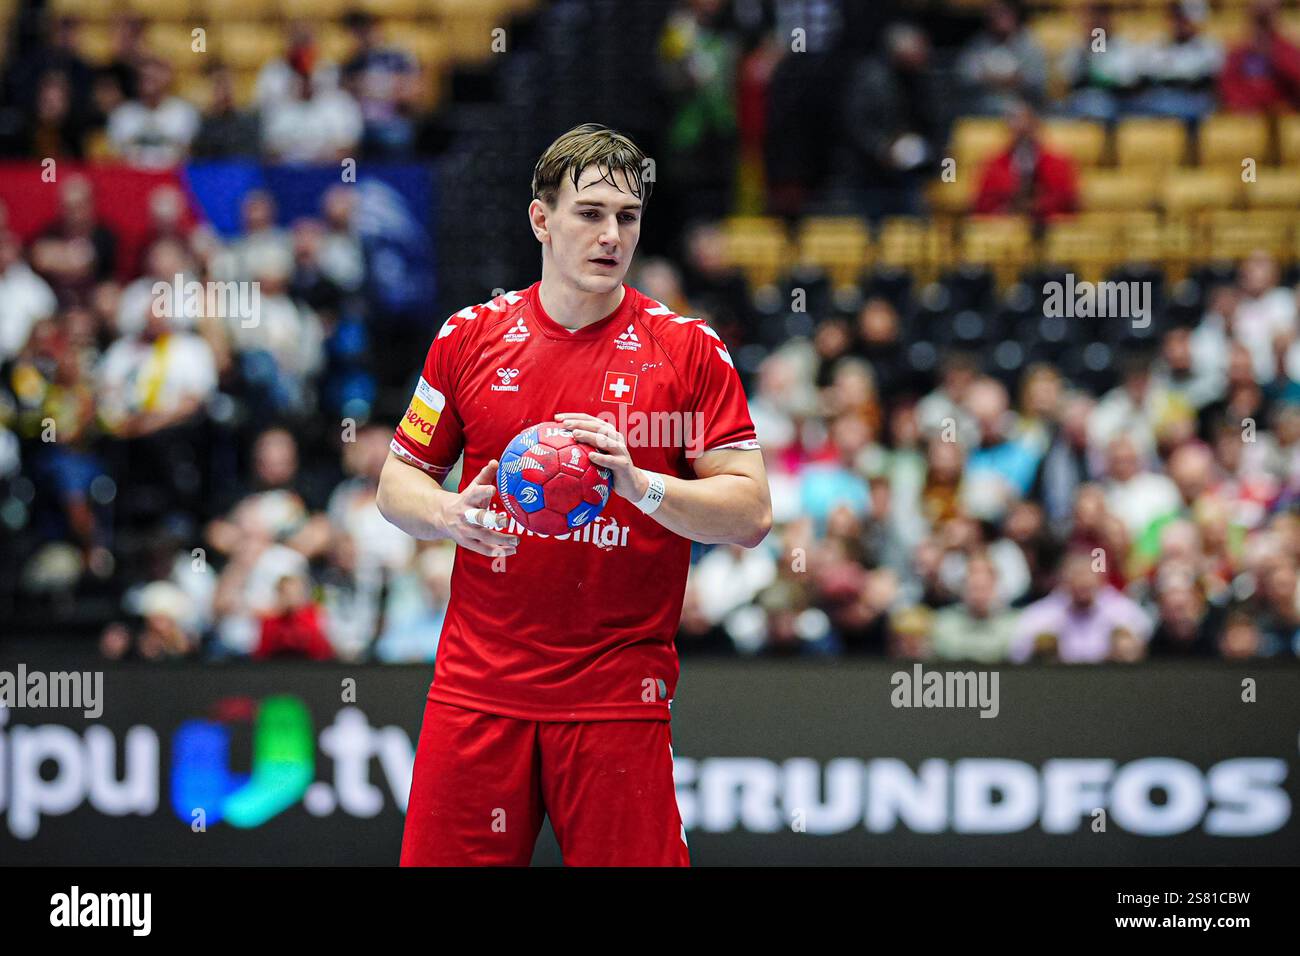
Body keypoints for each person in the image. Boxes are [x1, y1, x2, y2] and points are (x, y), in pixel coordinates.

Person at [377, 123, 771, 866]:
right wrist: (445, 512)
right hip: (476, 689)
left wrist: (641, 483)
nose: (610, 234)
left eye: (627, 217)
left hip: (617, 696)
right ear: (541, 219)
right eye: (590, 212)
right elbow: (397, 482)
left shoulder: (687, 349)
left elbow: (750, 514)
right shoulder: (468, 337)